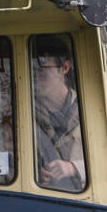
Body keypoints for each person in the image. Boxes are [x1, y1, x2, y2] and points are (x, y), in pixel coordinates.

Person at [32, 36, 86, 192]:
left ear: (64, 68)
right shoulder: (25, 116)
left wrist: (73, 168)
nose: (35, 76)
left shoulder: (90, 112)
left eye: (42, 68)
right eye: (32, 69)